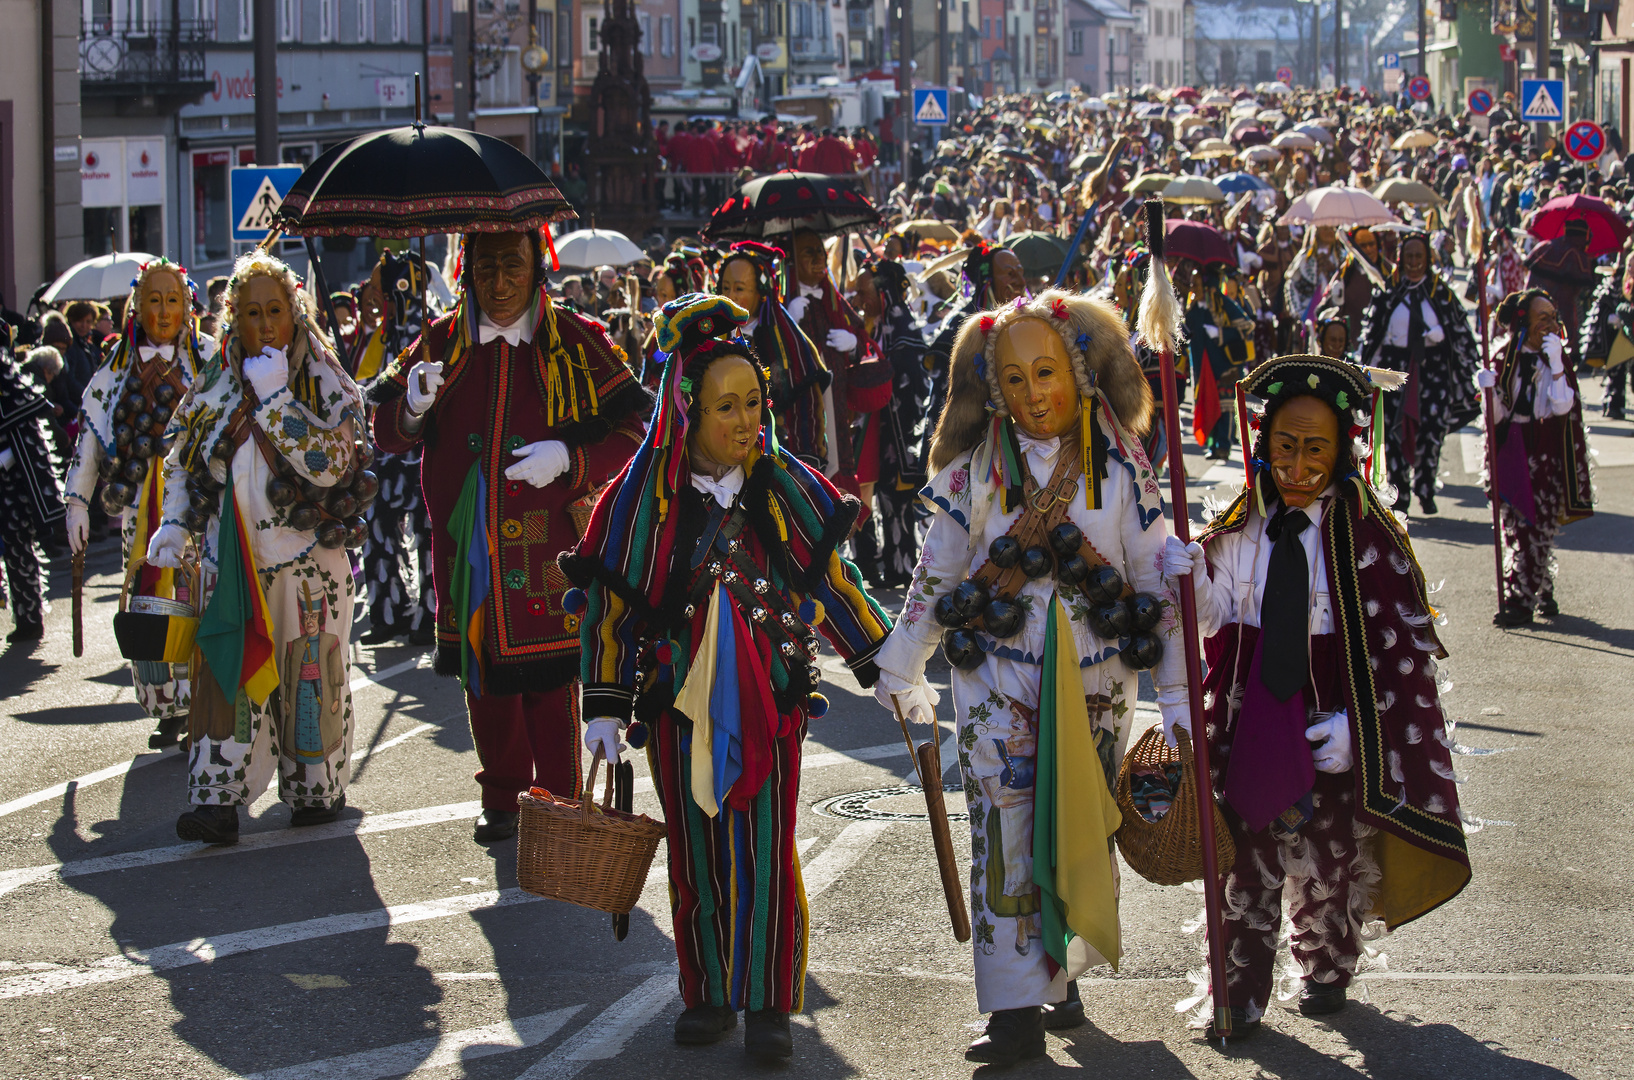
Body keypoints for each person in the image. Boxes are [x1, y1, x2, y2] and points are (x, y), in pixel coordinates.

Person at [562, 294, 892, 1062]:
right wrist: (604, 704)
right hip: (674, 703)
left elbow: (833, 582)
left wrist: (886, 663)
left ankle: (770, 1001)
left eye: (754, 402)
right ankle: (708, 990)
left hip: (772, 697)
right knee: (695, 849)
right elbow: (610, 610)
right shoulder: (641, 499)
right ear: (686, 411)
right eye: (726, 407)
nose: (745, 422)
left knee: (765, 850)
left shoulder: (784, 484)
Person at [872, 290, 1187, 1066]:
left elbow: (1154, 576)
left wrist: (1177, 690)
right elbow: (937, 570)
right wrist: (902, 659)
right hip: (995, 676)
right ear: (991, 388)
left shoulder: (1121, 466)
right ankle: (1014, 1006)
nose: (1032, 393)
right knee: (1004, 824)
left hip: (1099, 674)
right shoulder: (975, 469)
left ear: (1079, 374)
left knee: (1081, 818)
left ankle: (1064, 969)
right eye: (1012, 380)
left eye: (1046, 372)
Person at [1166, 352, 1471, 1038]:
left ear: (1342, 454)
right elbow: (1216, 622)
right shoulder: (1239, 527)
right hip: (1249, 715)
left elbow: (1397, 657)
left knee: (1331, 852)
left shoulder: (1369, 536)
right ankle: (1236, 989)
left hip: (1329, 706)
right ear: (1263, 444)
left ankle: (1325, 964)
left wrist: (1360, 735)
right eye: (1283, 446)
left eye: (1315, 450)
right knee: (1244, 857)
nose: (1297, 466)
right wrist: (1190, 580)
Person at [371, 228, 649, 843]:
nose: (498, 284)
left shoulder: (574, 339)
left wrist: (569, 458)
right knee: (482, 673)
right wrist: (413, 407)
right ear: (466, 269)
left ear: (537, 267)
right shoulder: (440, 341)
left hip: (550, 547)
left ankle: (557, 795)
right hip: (466, 547)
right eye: (486, 267)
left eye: (513, 266)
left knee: (552, 684)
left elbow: (636, 433)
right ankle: (500, 793)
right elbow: (386, 430)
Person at [147, 251, 367, 843]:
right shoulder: (214, 382)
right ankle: (215, 800)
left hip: (308, 564)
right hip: (233, 567)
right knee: (224, 674)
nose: (265, 326)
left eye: (275, 311)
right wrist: (172, 521)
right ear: (231, 319)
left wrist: (276, 402)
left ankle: (313, 789)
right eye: (251, 313)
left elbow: (333, 463)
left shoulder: (323, 379)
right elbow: (181, 459)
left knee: (308, 678)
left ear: (296, 314)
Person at [63, 259, 214, 746]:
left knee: (194, 594)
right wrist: (78, 502)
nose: (164, 310)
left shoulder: (209, 359)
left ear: (188, 305)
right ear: (137, 305)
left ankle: (199, 702)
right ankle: (166, 705)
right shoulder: (118, 365)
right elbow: (91, 433)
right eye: (154, 299)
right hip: (137, 501)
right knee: (147, 597)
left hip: (196, 501)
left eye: (173, 300)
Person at [1480, 290, 1595, 626]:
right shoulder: (1504, 358)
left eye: (1553, 316)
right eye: (1542, 316)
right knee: (1518, 526)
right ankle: (1540, 584)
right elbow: (1498, 418)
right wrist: (1488, 391)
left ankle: (1521, 601)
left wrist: (1557, 365)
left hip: (1545, 452)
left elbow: (1563, 407)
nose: (1550, 323)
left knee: (1537, 524)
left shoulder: (1558, 359)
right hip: (1513, 450)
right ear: (1523, 321)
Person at [1356, 230, 1482, 515]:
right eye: (1408, 256)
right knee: (1394, 432)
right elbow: (1371, 337)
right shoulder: (1387, 292)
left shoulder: (1443, 294)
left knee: (1431, 428)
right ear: (1400, 258)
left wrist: (1441, 336)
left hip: (1432, 370)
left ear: (1428, 259)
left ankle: (1426, 487)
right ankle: (1401, 490)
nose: (1413, 262)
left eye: (1419, 257)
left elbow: (1460, 334)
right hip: (1393, 372)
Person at [354, 250, 437, 646]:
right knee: (384, 530)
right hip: (387, 455)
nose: (370, 298)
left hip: (416, 454)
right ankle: (394, 610)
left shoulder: (424, 338)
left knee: (424, 531)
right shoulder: (382, 341)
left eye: (377, 290)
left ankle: (425, 611)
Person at [787, 228, 892, 497]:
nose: (819, 257)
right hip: (800, 410)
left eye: (820, 251)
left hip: (837, 405)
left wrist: (853, 343)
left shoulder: (834, 299)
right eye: (808, 252)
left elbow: (861, 337)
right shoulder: (780, 304)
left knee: (840, 476)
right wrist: (786, 320)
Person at [848, 257, 930, 587]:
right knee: (863, 496)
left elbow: (915, 388)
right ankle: (868, 564)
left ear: (883, 294)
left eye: (864, 292)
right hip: (871, 432)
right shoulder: (871, 327)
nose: (859, 300)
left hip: (897, 436)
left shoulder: (903, 331)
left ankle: (901, 568)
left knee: (896, 503)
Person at [714, 241, 831, 469]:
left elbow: (805, 406)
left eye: (739, 289)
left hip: (774, 457)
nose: (729, 296)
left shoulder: (785, 340)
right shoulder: (712, 336)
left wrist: (804, 464)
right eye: (725, 288)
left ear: (760, 293)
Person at [0, 348, 66, 643]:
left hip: (13, 488)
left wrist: (4, 459)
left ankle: (30, 619)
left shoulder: (13, 388)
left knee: (19, 551)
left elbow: (28, 441)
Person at [1524, 217, 1599, 365]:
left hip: (1533, 307)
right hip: (1561, 312)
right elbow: (1581, 291)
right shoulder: (1576, 255)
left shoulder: (1546, 246)